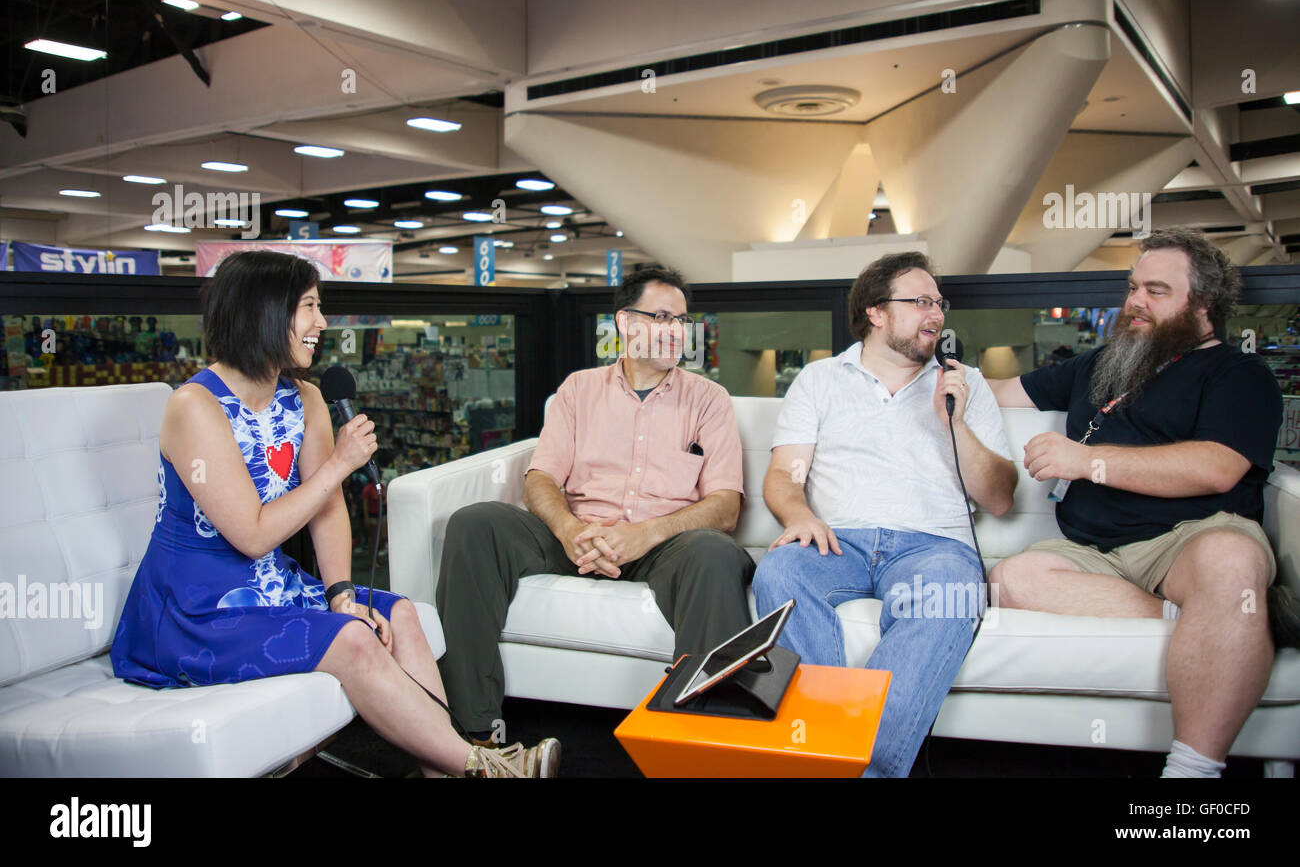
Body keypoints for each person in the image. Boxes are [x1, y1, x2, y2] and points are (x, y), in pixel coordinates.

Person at [110, 250, 556, 777]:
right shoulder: (195, 407)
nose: (322, 323)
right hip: (197, 609)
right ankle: (484, 767)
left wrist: (340, 592)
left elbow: (325, 509)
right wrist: (340, 464)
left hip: (272, 588)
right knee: (352, 639)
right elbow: (252, 535)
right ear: (264, 313)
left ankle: (448, 771)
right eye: (309, 307)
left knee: (402, 615)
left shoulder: (305, 398)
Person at [985, 227, 1297, 777]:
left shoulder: (1238, 374)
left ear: (1202, 303)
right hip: (1095, 553)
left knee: (1230, 564)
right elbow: (1002, 391)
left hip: (1190, 541)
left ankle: (1192, 772)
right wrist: (924, 378)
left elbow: (1217, 467)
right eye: (1133, 288)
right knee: (1010, 578)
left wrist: (1086, 461)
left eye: (1155, 290)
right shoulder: (1102, 362)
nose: (1135, 301)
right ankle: (1220, 617)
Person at [436, 264, 754, 746]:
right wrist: (567, 529)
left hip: (662, 546)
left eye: (683, 321)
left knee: (716, 553)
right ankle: (474, 734)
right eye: (663, 317)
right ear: (626, 323)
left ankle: (695, 742)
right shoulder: (578, 390)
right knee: (475, 523)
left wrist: (642, 535)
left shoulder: (708, 400)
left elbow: (726, 505)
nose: (678, 332)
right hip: (576, 536)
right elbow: (541, 477)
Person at [752, 252, 1017, 777]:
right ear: (875, 312)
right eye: (920, 302)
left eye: (939, 303)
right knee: (780, 570)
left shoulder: (965, 384)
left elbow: (1000, 498)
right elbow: (785, 474)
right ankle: (823, 751)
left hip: (935, 545)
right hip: (839, 542)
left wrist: (958, 424)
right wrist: (799, 515)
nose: (936, 314)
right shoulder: (820, 379)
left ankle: (849, 769)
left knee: (949, 595)